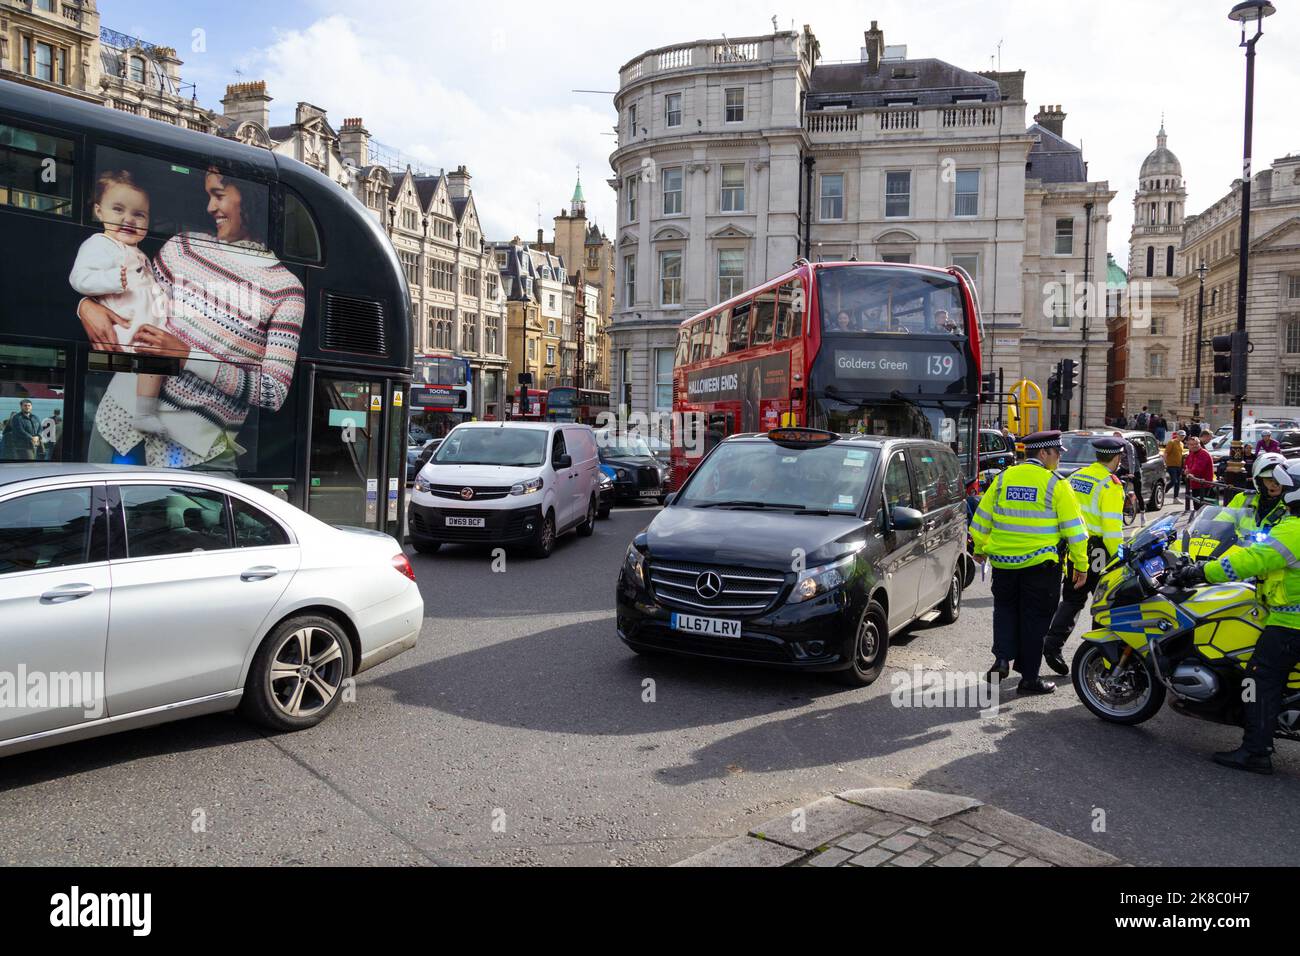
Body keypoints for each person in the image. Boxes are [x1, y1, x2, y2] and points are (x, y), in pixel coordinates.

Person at [78, 166, 305, 471]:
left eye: (219, 195)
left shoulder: (286, 290)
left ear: (250, 197)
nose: (210, 207)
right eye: (208, 196)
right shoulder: (182, 248)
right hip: (120, 419)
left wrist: (188, 356)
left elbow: (272, 392)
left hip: (199, 451)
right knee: (101, 518)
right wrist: (85, 306)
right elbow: (134, 301)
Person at [1176, 459, 1300, 774]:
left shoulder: (1293, 529)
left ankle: (1256, 752)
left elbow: (1250, 560)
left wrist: (1200, 570)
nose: (1280, 490)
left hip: (1290, 624)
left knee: (1260, 679)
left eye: (1285, 486)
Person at [970, 430, 1089, 694]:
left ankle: (1002, 658)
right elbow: (1075, 531)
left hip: (1004, 564)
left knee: (1005, 611)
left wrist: (980, 549)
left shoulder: (1003, 479)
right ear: (1043, 453)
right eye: (1057, 453)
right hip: (1040, 566)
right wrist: (1081, 566)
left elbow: (980, 521)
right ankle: (1029, 678)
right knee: (1035, 620)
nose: (1058, 458)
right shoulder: (1056, 484)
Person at [69, 169, 168, 436]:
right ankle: (144, 414)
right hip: (124, 324)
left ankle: (144, 413)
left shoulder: (140, 253)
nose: (129, 219)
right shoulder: (99, 244)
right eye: (118, 209)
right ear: (99, 212)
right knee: (152, 362)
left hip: (144, 324)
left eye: (139, 214)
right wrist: (113, 279)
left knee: (157, 362)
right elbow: (80, 278)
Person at [1043, 436, 1126, 676]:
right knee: (1104, 602)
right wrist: (1120, 557)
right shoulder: (1110, 484)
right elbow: (1112, 529)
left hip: (1075, 546)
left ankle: (1052, 644)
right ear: (1117, 458)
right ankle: (1098, 655)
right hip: (1099, 549)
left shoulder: (1078, 475)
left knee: (1072, 598)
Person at [1224, 452, 1289, 539]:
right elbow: (1222, 522)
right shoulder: (1242, 498)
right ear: (1259, 482)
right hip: (1238, 549)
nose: (1275, 484)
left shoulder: (1291, 506)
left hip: (1270, 551)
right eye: (1270, 480)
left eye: (1279, 479)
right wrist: (1239, 539)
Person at [1184, 436, 1215, 510]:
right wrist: (1186, 471)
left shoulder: (1203, 453)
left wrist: (1189, 472)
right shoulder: (1191, 454)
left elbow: (1198, 469)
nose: (1194, 446)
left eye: (1196, 444)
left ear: (1199, 444)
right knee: (1197, 507)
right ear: (1188, 446)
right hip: (1196, 484)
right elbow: (1187, 465)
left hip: (1204, 485)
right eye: (1192, 444)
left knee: (1202, 509)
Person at [1163, 430, 1186, 502]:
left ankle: (1176, 498)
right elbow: (1166, 453)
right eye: (1181, 435)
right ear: (1177, 435)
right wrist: (1165, 463)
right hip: (1171, 465)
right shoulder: (1171, 442)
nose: (1182, 437)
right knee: (1173, 480)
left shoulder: (1182, 444)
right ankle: (1164, 491)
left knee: (1178, 482)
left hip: (1179, 465)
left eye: (1183, 436)